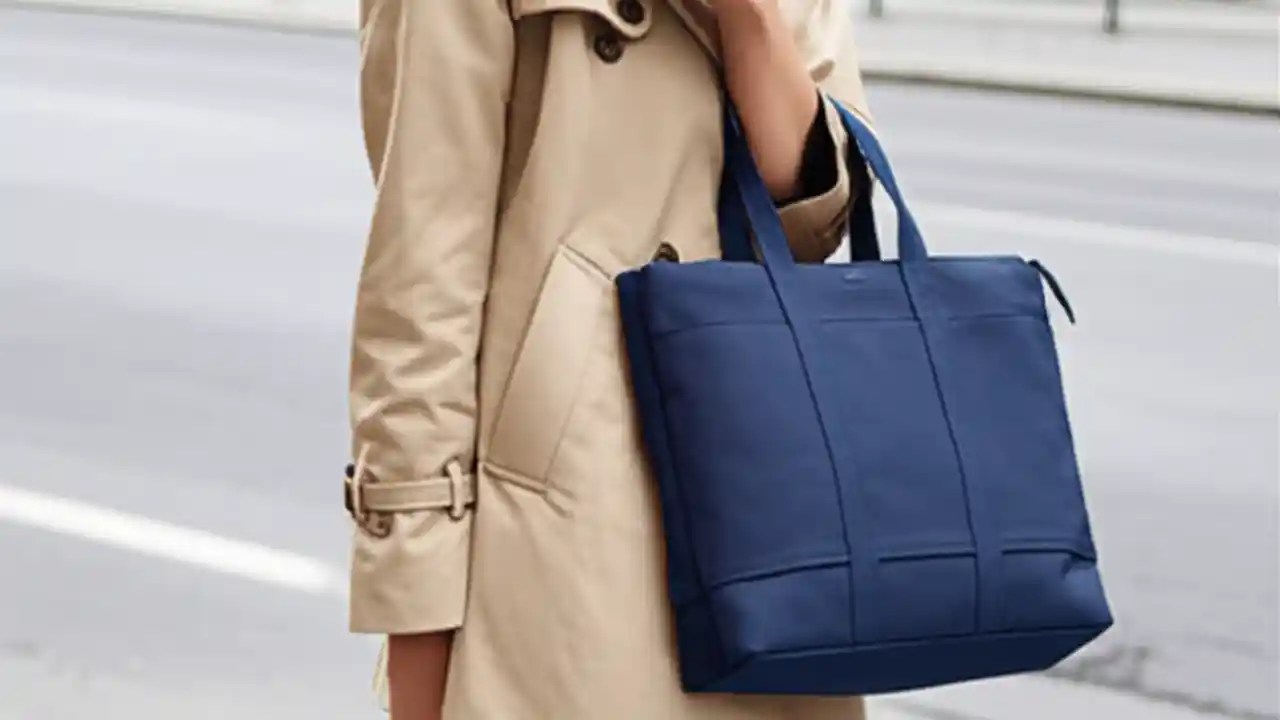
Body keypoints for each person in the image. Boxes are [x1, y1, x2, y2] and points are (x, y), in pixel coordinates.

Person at [345, 0, 874, 717]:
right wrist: (416, 628)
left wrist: (746, 16)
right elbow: (422, 285)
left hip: (761, 512)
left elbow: (815, 215)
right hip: (563, 524)